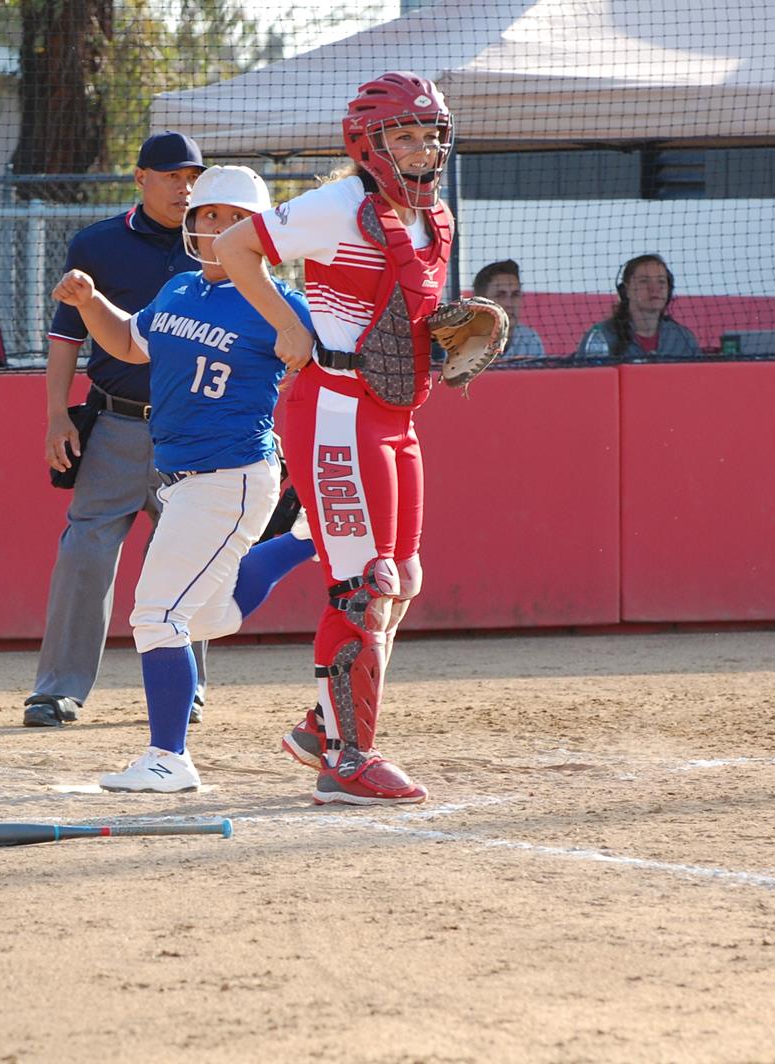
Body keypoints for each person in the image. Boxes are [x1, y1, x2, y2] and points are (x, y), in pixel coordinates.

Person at [215, 71, 504, 806]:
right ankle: (347, 761)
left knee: (401, 579)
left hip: (394, 417)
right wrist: (287, 325)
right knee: (360, 587)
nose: (420, 148)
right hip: (335, 409)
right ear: (367, 143)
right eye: (403, 135)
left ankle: (324, 727)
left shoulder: (433, 216)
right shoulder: (337, 205)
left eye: (430, 134)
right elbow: (235, 246)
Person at [51, 166, 319, 792]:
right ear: (192, 224)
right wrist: (90, 302)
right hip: (187, 478)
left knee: (156, 617)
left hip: (229, 475)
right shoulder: (179, 288)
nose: (219, 229)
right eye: (209, 216)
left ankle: (168, 758)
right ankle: (306, 541)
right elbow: (127, 343)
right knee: (205, 616)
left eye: (236, 219)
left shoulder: (280, 304)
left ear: (261, 230)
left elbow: (318, 363)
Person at [23, 131, 209, 729]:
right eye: (173, 176)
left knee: (186, 559)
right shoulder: (98, 243)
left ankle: (186, 687)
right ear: (140, 178)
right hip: (116, 422)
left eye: (193, 177)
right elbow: (65, 338)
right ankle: (57, 689)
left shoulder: (217, 243)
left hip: (194, 430)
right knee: (85, 553)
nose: (185, 188)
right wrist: (57, 414)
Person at [575, 255, 700, 360]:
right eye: (644, 281)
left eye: (661, 281)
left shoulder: (682, 338)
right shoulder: (602, 337)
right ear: (626, 290)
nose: (654, 289)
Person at [473, 260, 545, 359]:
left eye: (515, 295)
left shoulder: (530, 339)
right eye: (500, 295)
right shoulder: (463, 341)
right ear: (481, 302)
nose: (510, 304)